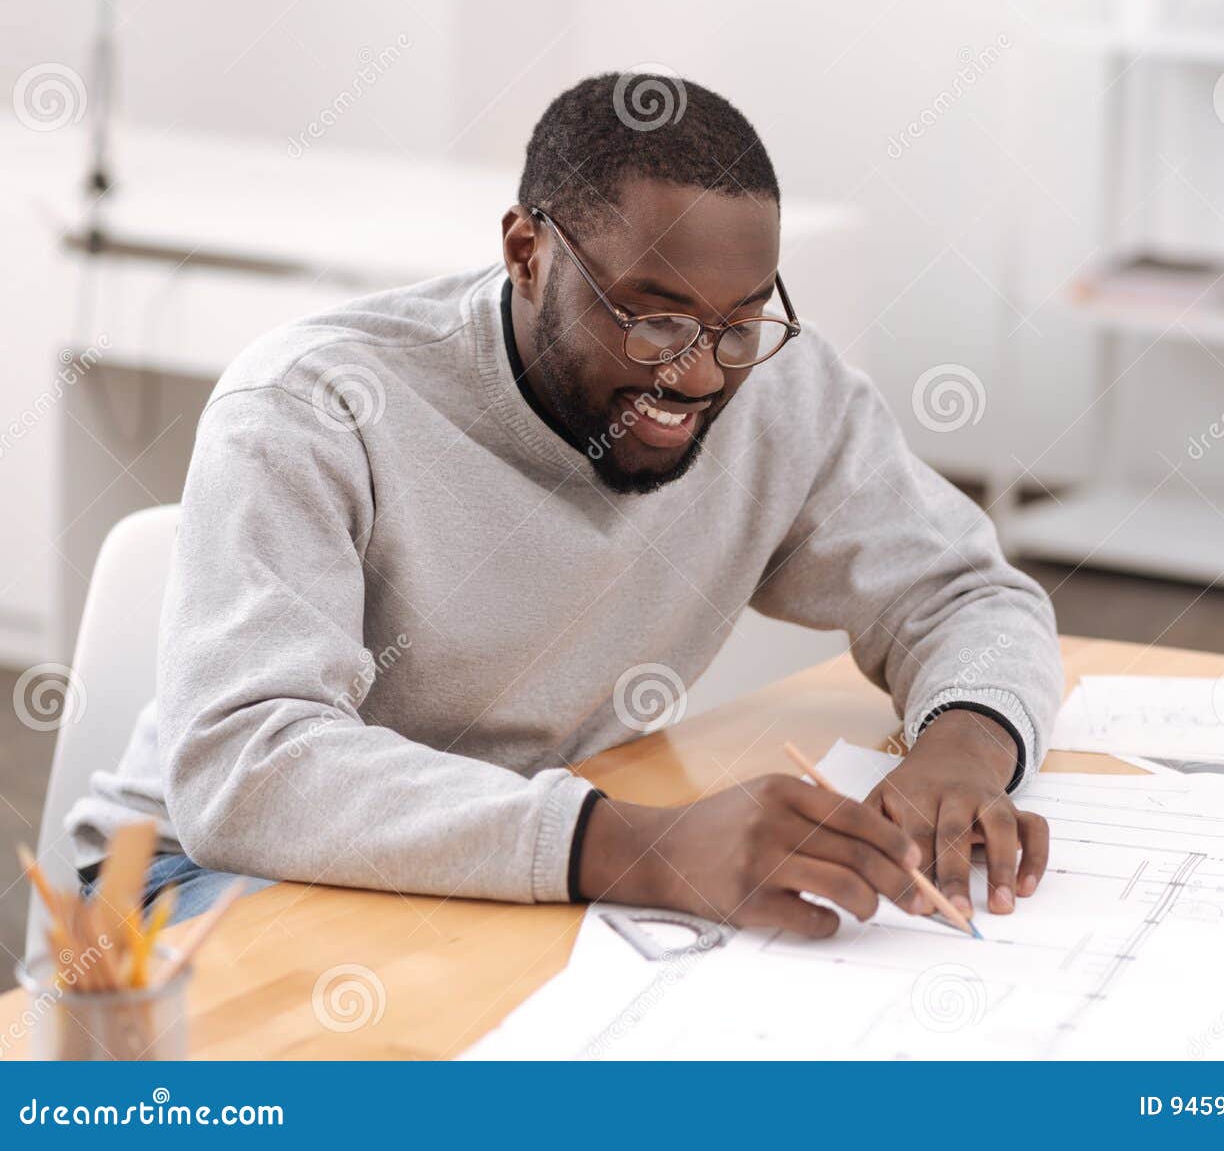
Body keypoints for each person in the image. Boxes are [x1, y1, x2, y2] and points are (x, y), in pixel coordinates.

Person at [67, 73, 1064, 938]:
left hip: (521, 860)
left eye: (739, 322)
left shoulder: (784, 394)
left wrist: (965, 749)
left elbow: (962, 593)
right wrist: (640, 848)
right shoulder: (313, 405)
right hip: (200, 876)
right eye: (653, 318)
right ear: (525, 252)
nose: (696, 373)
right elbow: (248, 769)